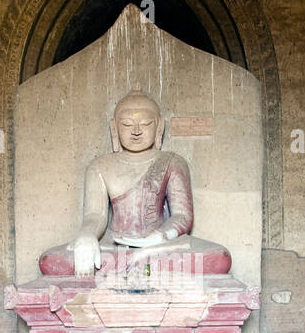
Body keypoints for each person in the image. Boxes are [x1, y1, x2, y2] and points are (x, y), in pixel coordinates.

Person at [38, 88, 232, 278]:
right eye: (127, 124)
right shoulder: (100, 166)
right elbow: (95, 215)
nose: (137, 131)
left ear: (159, 127)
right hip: (114, 245)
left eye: (146, 124)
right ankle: (135, 264)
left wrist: (156, 238)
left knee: (219, 258)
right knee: (51, 260)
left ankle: (132, 264)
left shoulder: (172, 161)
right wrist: (87, 237)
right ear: (114, 127)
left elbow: (182, 216)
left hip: (160, 246)